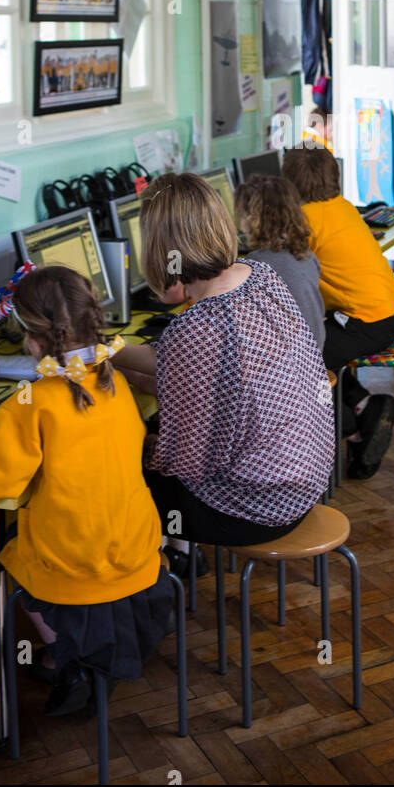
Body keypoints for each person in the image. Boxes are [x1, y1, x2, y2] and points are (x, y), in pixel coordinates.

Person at [0, 267, 172, 717]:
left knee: (7, 549)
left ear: (30, 337)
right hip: (139, 553)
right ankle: (92, 649)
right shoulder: (114, 380)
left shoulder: (30, 403)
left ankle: (66, 655)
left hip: (76, 567)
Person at [112, 173, 333, 567]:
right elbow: (178, 364)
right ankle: (173, 561)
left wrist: (137, 445)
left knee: (113, 481)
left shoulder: (197, 327)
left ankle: (156, 579)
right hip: (306, 481)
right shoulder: (260, 277)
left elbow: (185, 462)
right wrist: (112, 354)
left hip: (256, 509)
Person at [282, 144, 394, 480]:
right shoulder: (342, 207)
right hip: (385, 316)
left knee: (302, 361)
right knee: (322, 350)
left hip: (362, 322)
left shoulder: (305, 220)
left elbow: (283, 268)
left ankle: (351, 426)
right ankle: (365, 406)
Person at [234, 172, 326, 351]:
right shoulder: (306, 255)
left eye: (243, 215)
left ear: (254, 219)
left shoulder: (258, 265)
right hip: (315, 357)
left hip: (288, 369)